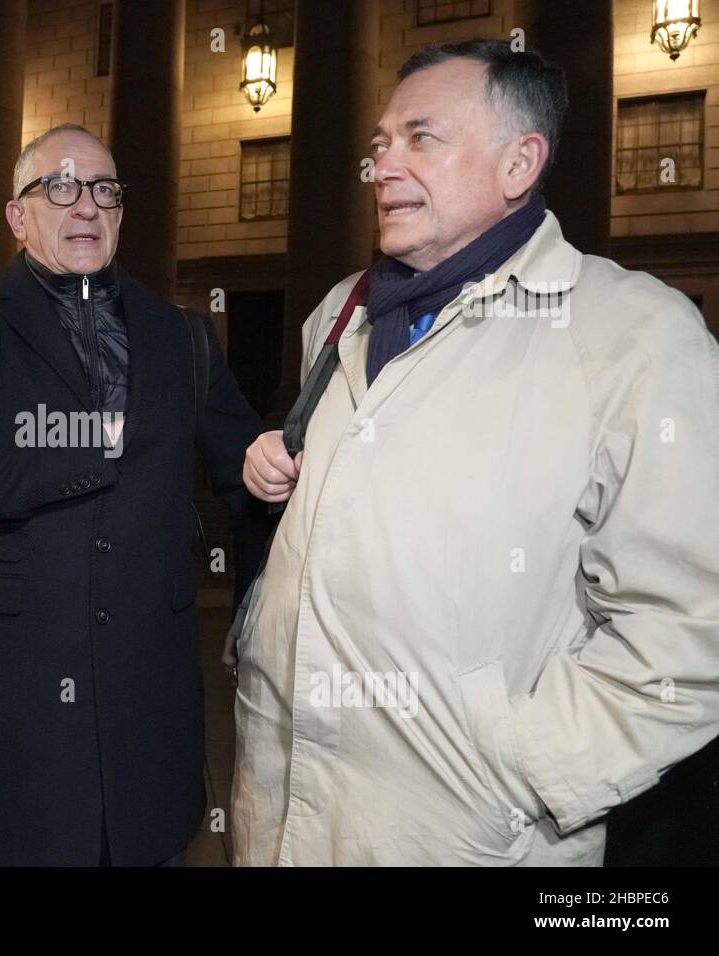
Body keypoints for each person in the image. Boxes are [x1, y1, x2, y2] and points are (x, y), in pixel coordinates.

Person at [233, 39, 719, 865]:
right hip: (282, 819)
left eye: (422, 138)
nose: (382, 166)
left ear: (518, 164)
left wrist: (519, 773)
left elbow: (692, 627)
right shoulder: (337, 316)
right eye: (381, 143)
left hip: (465, 841)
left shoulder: (635, 336)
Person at [0, 123, 266, 866]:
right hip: (14, 714)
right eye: (61, 187)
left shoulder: (183, 338)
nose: (86, 207)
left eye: (104, 190)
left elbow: (253, 491)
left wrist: (260, 615)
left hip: (149, 716)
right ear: (18, 215)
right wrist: (87, 445)